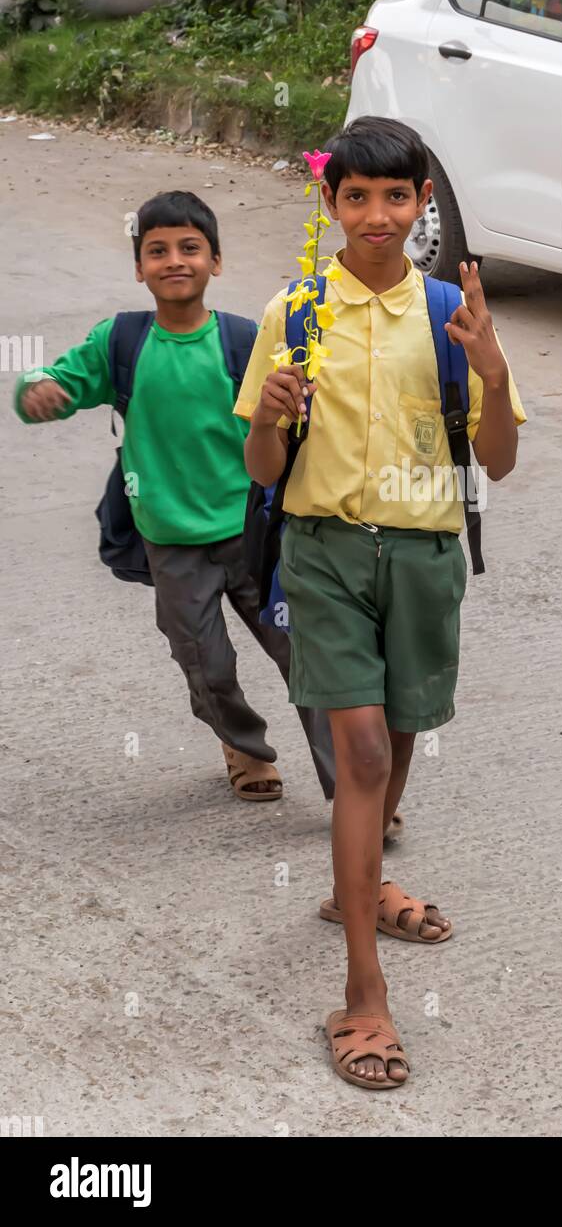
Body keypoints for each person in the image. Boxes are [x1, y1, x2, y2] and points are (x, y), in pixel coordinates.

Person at [236, 117, 525, 1087]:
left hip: (423, 553)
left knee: (397, 734)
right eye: (354, 196)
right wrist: (270, 420)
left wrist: (487, 370)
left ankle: (354, 885)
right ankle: (362, 993)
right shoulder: (296, 309)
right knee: (358, 747)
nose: (374, 214)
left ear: (420, 205)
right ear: (330, 205)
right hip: (321, 551)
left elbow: (496, 461)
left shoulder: (451, 310)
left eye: (394, 196)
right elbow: (264, 468)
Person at [14, 190, 335, 803]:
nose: (174, 260)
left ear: (216, 260)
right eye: (156, 250)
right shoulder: (122, 343)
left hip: (255, 534)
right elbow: (58, 379)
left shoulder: (245, 342)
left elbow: (299, 413)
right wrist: (38, 387)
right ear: (139, 268)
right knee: (206, 667)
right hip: (172, 545)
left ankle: (353, 788)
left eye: (190, 247)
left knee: (308, 659)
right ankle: (246, 747)